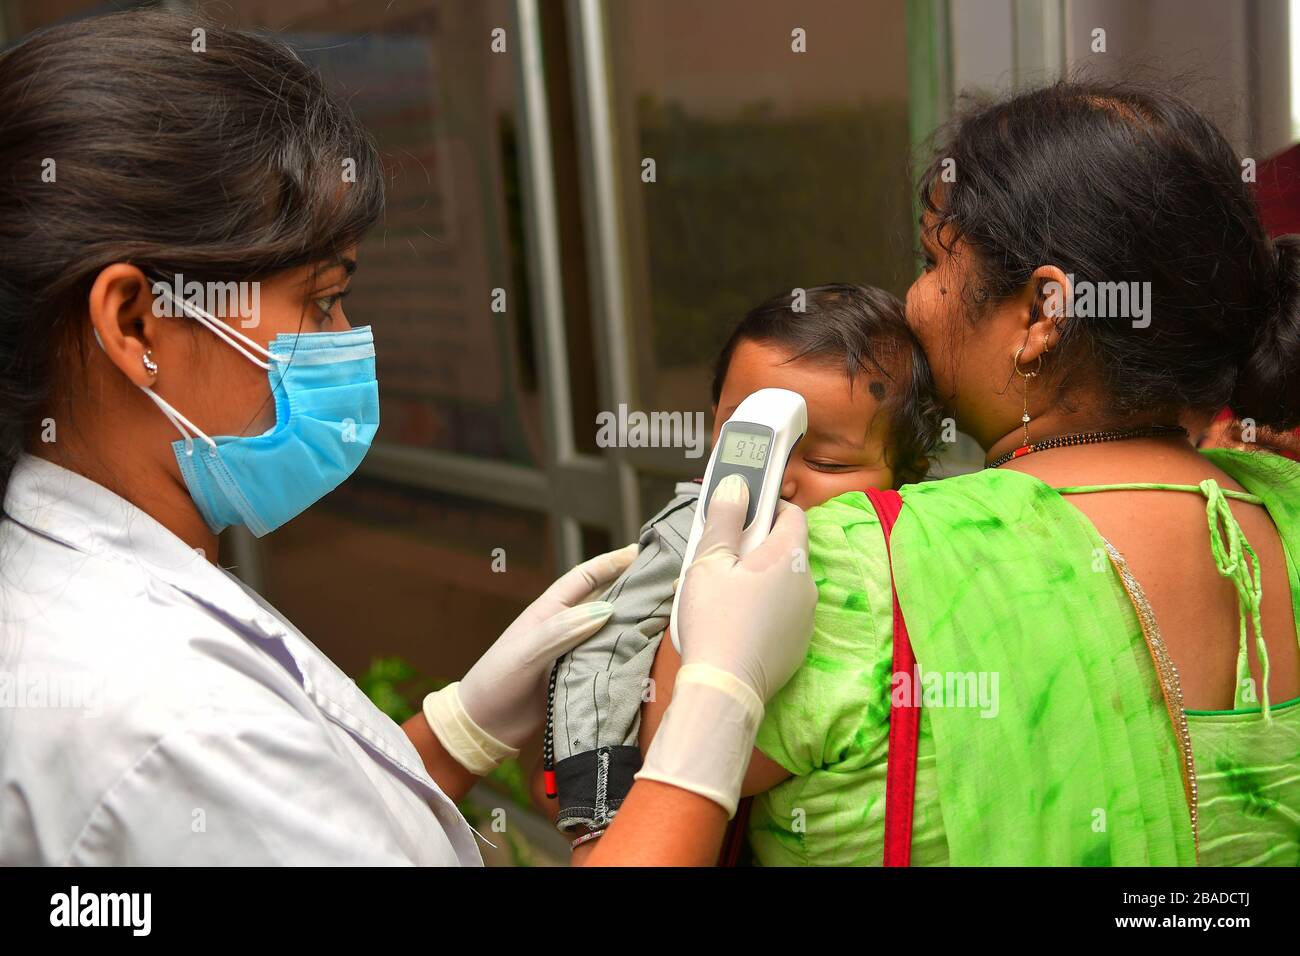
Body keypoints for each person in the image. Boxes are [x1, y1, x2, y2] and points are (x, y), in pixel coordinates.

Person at [0, 10, 815, 866]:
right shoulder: (172, 724)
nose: (346, 335)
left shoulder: (78, 583)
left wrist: (455, 732)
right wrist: (717, 706)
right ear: (137, 323)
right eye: (318, 299)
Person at [645, 79, 1300, 866]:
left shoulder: (861, 560)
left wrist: (707, 573)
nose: (914, 300)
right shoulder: (1283, 513)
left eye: (933, 261)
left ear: (1040, 316)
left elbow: (668, 801)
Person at [536, 284, 942, 854]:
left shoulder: (884, 562)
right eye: (750, 443)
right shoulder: (685, 535)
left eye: (827, 461)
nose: (781, 481)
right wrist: (590, 793)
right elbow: (602, 666)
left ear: (911, 470)